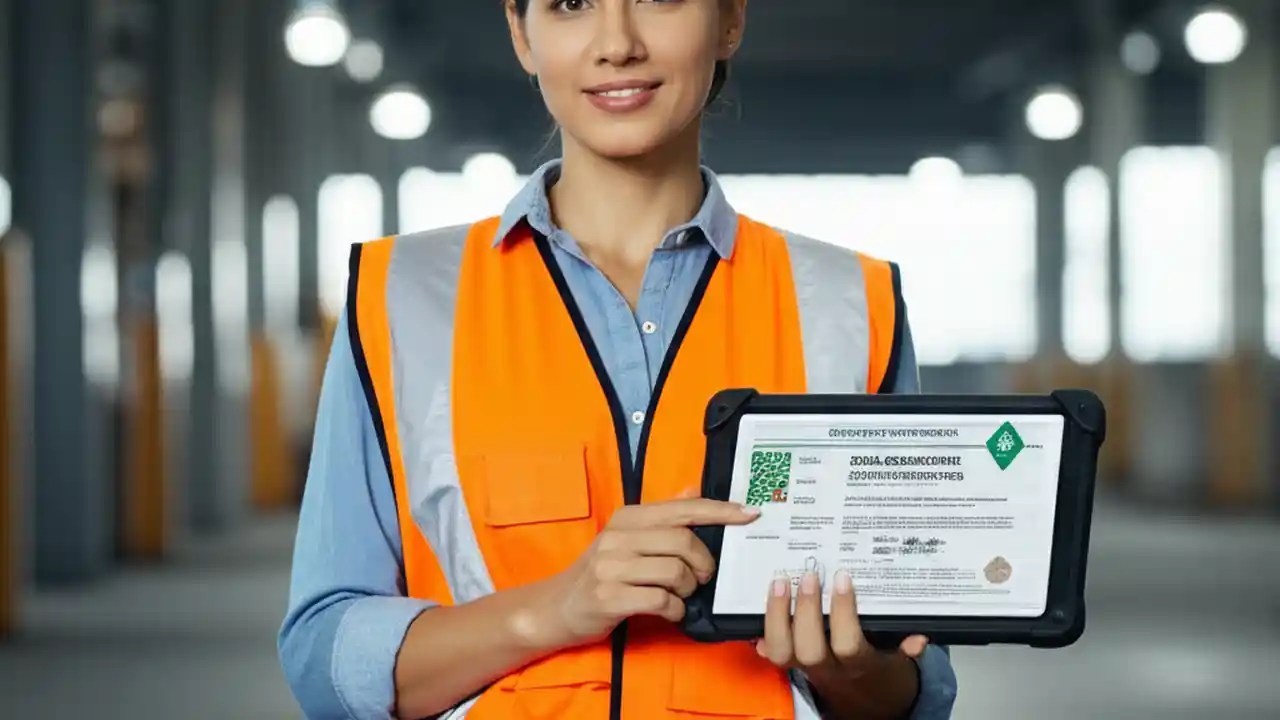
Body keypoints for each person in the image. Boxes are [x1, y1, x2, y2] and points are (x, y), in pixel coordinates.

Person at [278, 0, 959, 718]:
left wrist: (852, 673)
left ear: (730, 19)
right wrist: (553, 609)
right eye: (572, 4)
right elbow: (326, 658)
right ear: (521, 33)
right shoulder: (403, 298)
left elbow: (915, 683)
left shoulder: (852, 302)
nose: (617, 44)